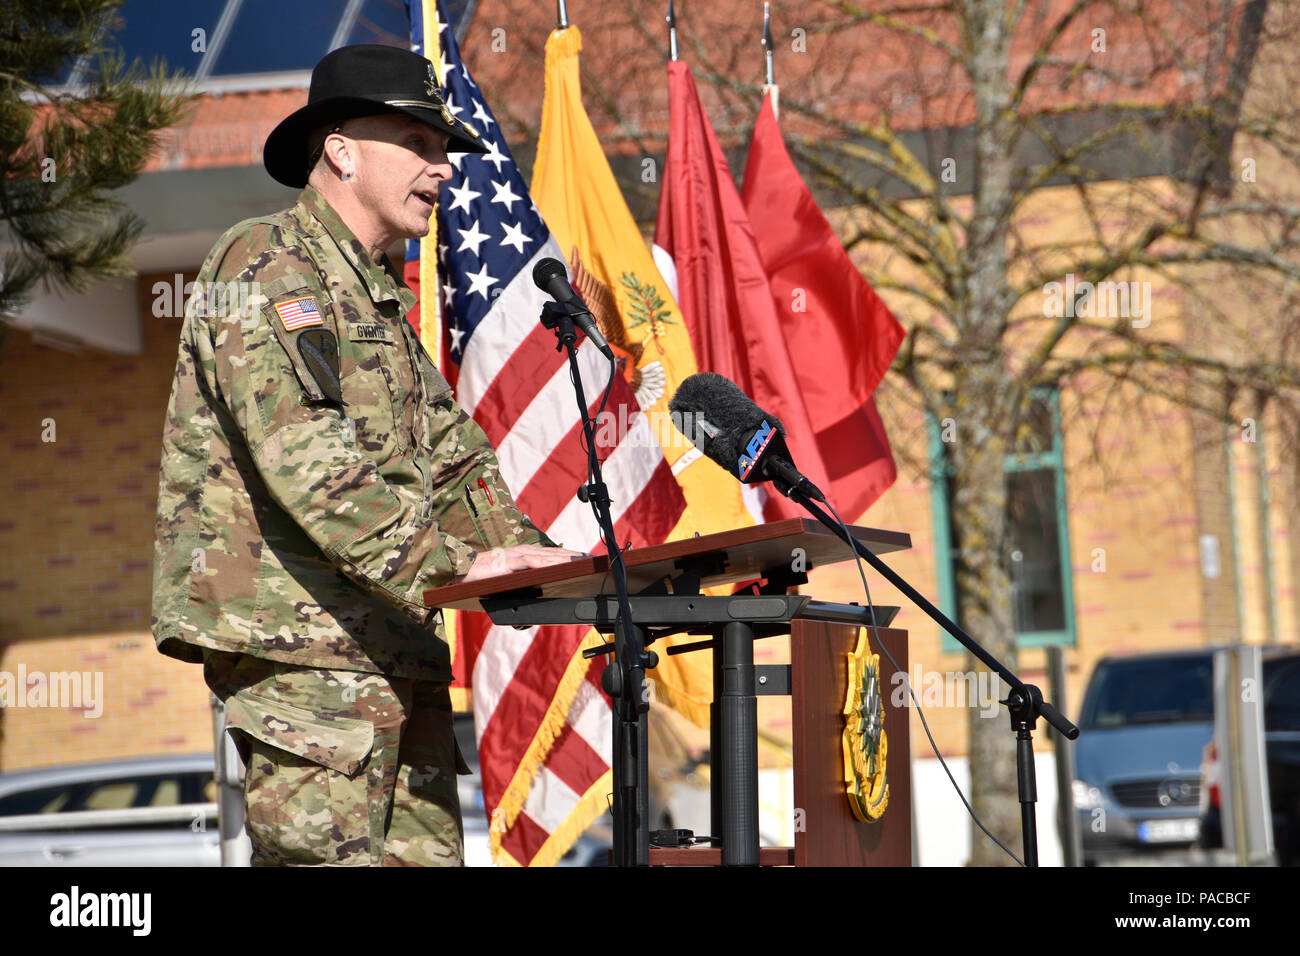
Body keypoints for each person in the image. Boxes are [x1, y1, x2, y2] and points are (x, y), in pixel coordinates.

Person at [151, 44, 581, 866]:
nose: (444, 169)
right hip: (309, 668)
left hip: (397, 658)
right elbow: (316, 476)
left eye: (445, 151)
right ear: (341, 150)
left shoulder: (379, 301)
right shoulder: (263, 263)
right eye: (418, 144)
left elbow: (455, 463)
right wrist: (465, 566)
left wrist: (545, 560)